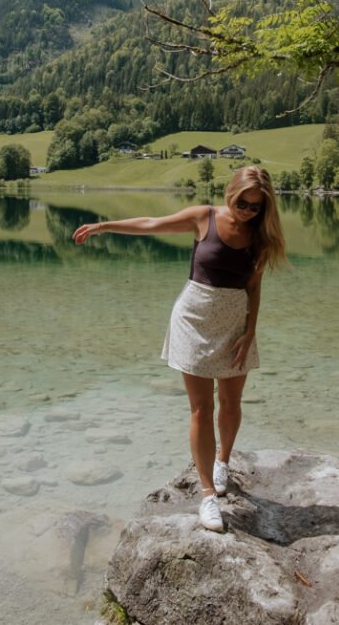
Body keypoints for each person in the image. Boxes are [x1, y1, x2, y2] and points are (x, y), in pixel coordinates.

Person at [72, 165, 287, 533]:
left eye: (256, 206)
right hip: (192, 320)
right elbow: (152, 224)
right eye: (243, 202)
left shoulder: (260, 237)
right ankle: (207, 496)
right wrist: (103, 226)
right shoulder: (204, 218)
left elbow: (254, 287)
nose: (248, 210)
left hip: (235, 324)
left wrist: (250, 333)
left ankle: (223, 461)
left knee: (231, 404)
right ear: (230, 192)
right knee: (201, 409)